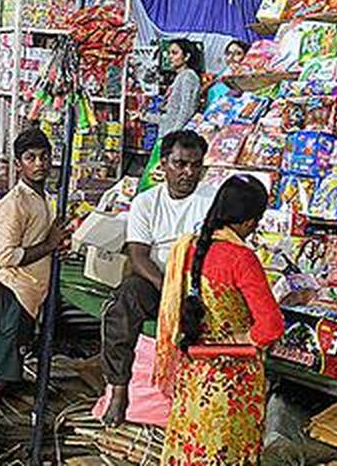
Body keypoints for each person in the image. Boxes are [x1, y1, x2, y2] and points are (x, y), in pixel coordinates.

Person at [155, 174, 283, 465]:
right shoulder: (241, 258)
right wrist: (244, 338)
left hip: (193, 375)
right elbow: (271, 327)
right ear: (251, 221)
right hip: (232, 383)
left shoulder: (186, 249)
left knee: (191, 449)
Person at [0, 128, 68, 466]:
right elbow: (6, 255)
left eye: (44, 156)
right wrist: (49, 246)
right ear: (19, 163)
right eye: (31, 158)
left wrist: (53, 246)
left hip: (25, 292)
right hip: (15, 292)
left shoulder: (40, 199)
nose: (39, 164)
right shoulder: (15, 202)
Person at [101, 130, 216, 427]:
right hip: (157, 281)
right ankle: (118, 390)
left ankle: (197, 403)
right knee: (123, 302)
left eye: (195, 165)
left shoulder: (212, 200)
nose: (188, 172)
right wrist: (167, 286)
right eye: (180, 164)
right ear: (163, 164)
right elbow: (138, 255)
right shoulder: (146, 202)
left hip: (197, 283)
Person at [157, 39, 204, 135]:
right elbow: (170, 115)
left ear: (186, 56)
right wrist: (144, 116)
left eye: (174, 53)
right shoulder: (179, 77)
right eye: (169, 53)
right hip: (167, 133)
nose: (170, 57)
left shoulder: (188, 76)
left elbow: (186, 110)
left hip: (175, 137)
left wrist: (176, 134)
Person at [205, 39, 250, 108]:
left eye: (238, 53)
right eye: (229, 53)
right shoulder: (222, 75)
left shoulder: (250, 76)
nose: (231, 57)